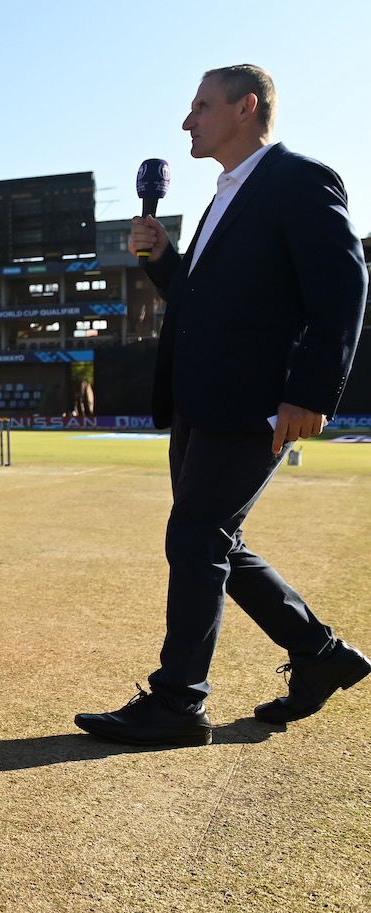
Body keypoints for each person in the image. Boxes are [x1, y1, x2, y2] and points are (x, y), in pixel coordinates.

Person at [76, 65, 368, 747]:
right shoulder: (226, 195)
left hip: (256, 402)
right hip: (201, 402)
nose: (188, 121)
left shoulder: (299, 178)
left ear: (246, 107)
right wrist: (162, 260)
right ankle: (321, 656)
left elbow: (342, 287)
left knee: (197, 536)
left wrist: (310, 391)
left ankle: (179, 702)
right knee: (212, 539)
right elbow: (205, 301)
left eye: (201, 107)